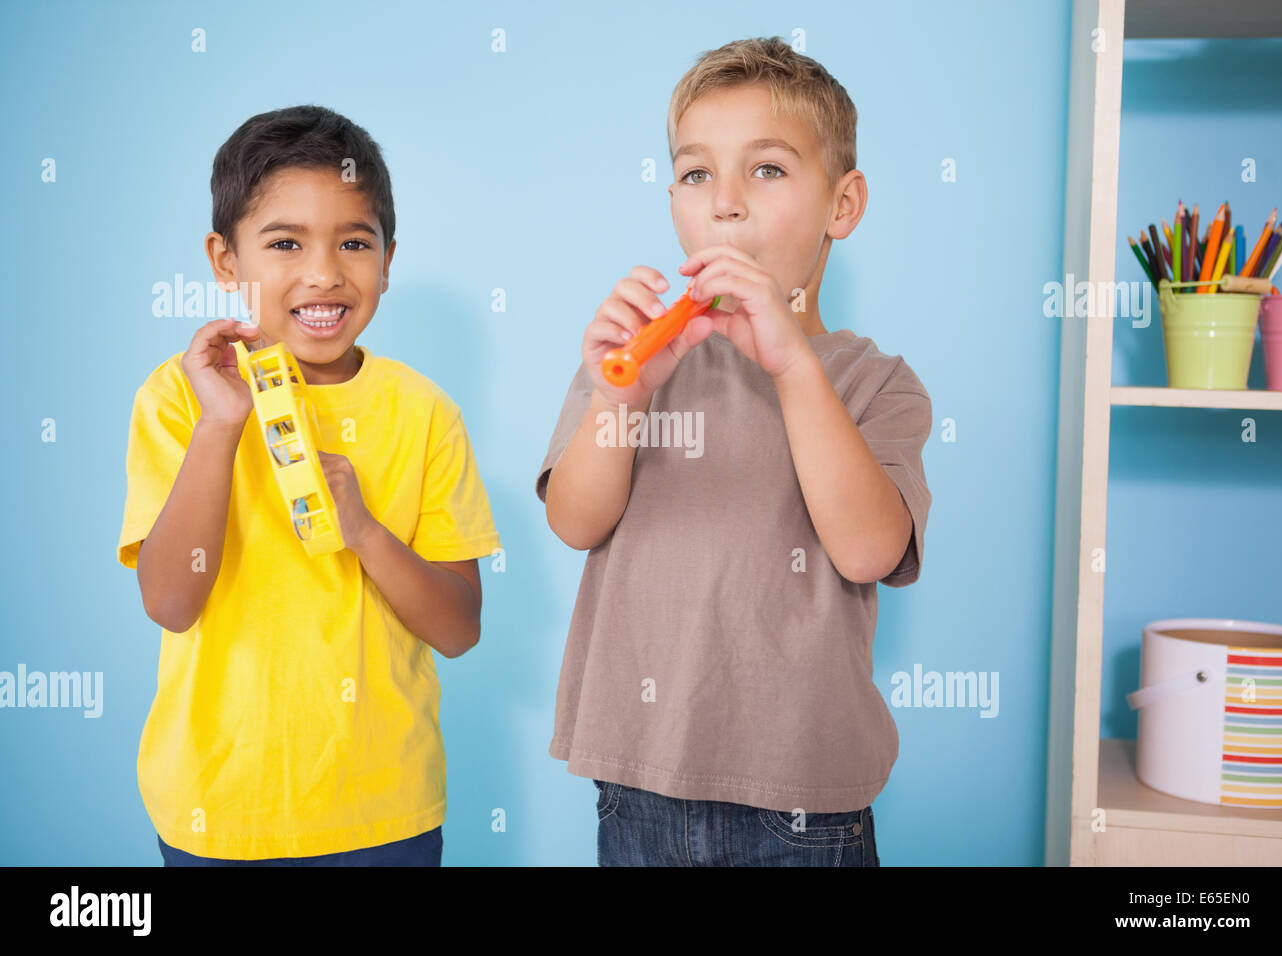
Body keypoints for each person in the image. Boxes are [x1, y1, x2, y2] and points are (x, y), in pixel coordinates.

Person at [535, 37, 932, 866]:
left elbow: (867, 550)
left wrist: (791, 363)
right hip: (637, 783)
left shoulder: (874, 382)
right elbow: (576, 521)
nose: (725, 204)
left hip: (802, 803)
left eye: (768, 170)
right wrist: (620, 399)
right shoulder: (634, 361)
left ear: (843, 206)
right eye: (695, 174)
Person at [117, 105, 500, 866]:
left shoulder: (424, 413)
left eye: (354, 242)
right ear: (225, 261)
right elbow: (169, 600)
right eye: (285, 242)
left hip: (383, 814)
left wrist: (363, 529)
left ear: (388, 260)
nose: (324, 272)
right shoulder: (179, 397)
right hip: (218, 810)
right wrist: (221, 427)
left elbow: (459, 630)